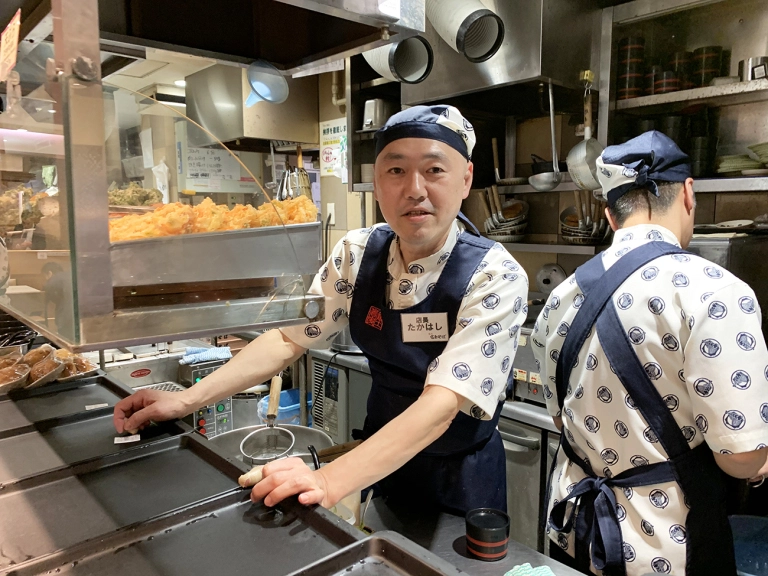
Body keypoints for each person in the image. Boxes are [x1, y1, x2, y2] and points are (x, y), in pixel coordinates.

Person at [113, 105, 529, 514]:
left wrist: (328, 480)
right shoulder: (358, 252)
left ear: (465, 179)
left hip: (461, 483)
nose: (415, 189)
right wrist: (186, 401)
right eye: (396, 170)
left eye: (435, 170)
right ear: (376, 182)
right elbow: (287, 338)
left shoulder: (495, 276)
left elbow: (441, 405)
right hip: (375, 465)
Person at [532, 131, 768, 576]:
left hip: (579, 533)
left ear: (609, 213)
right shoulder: (718, 292)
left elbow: (564, 420)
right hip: (665, 548)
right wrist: (759, 463)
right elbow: (740, 458)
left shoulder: (562, 295)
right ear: (689, 193)